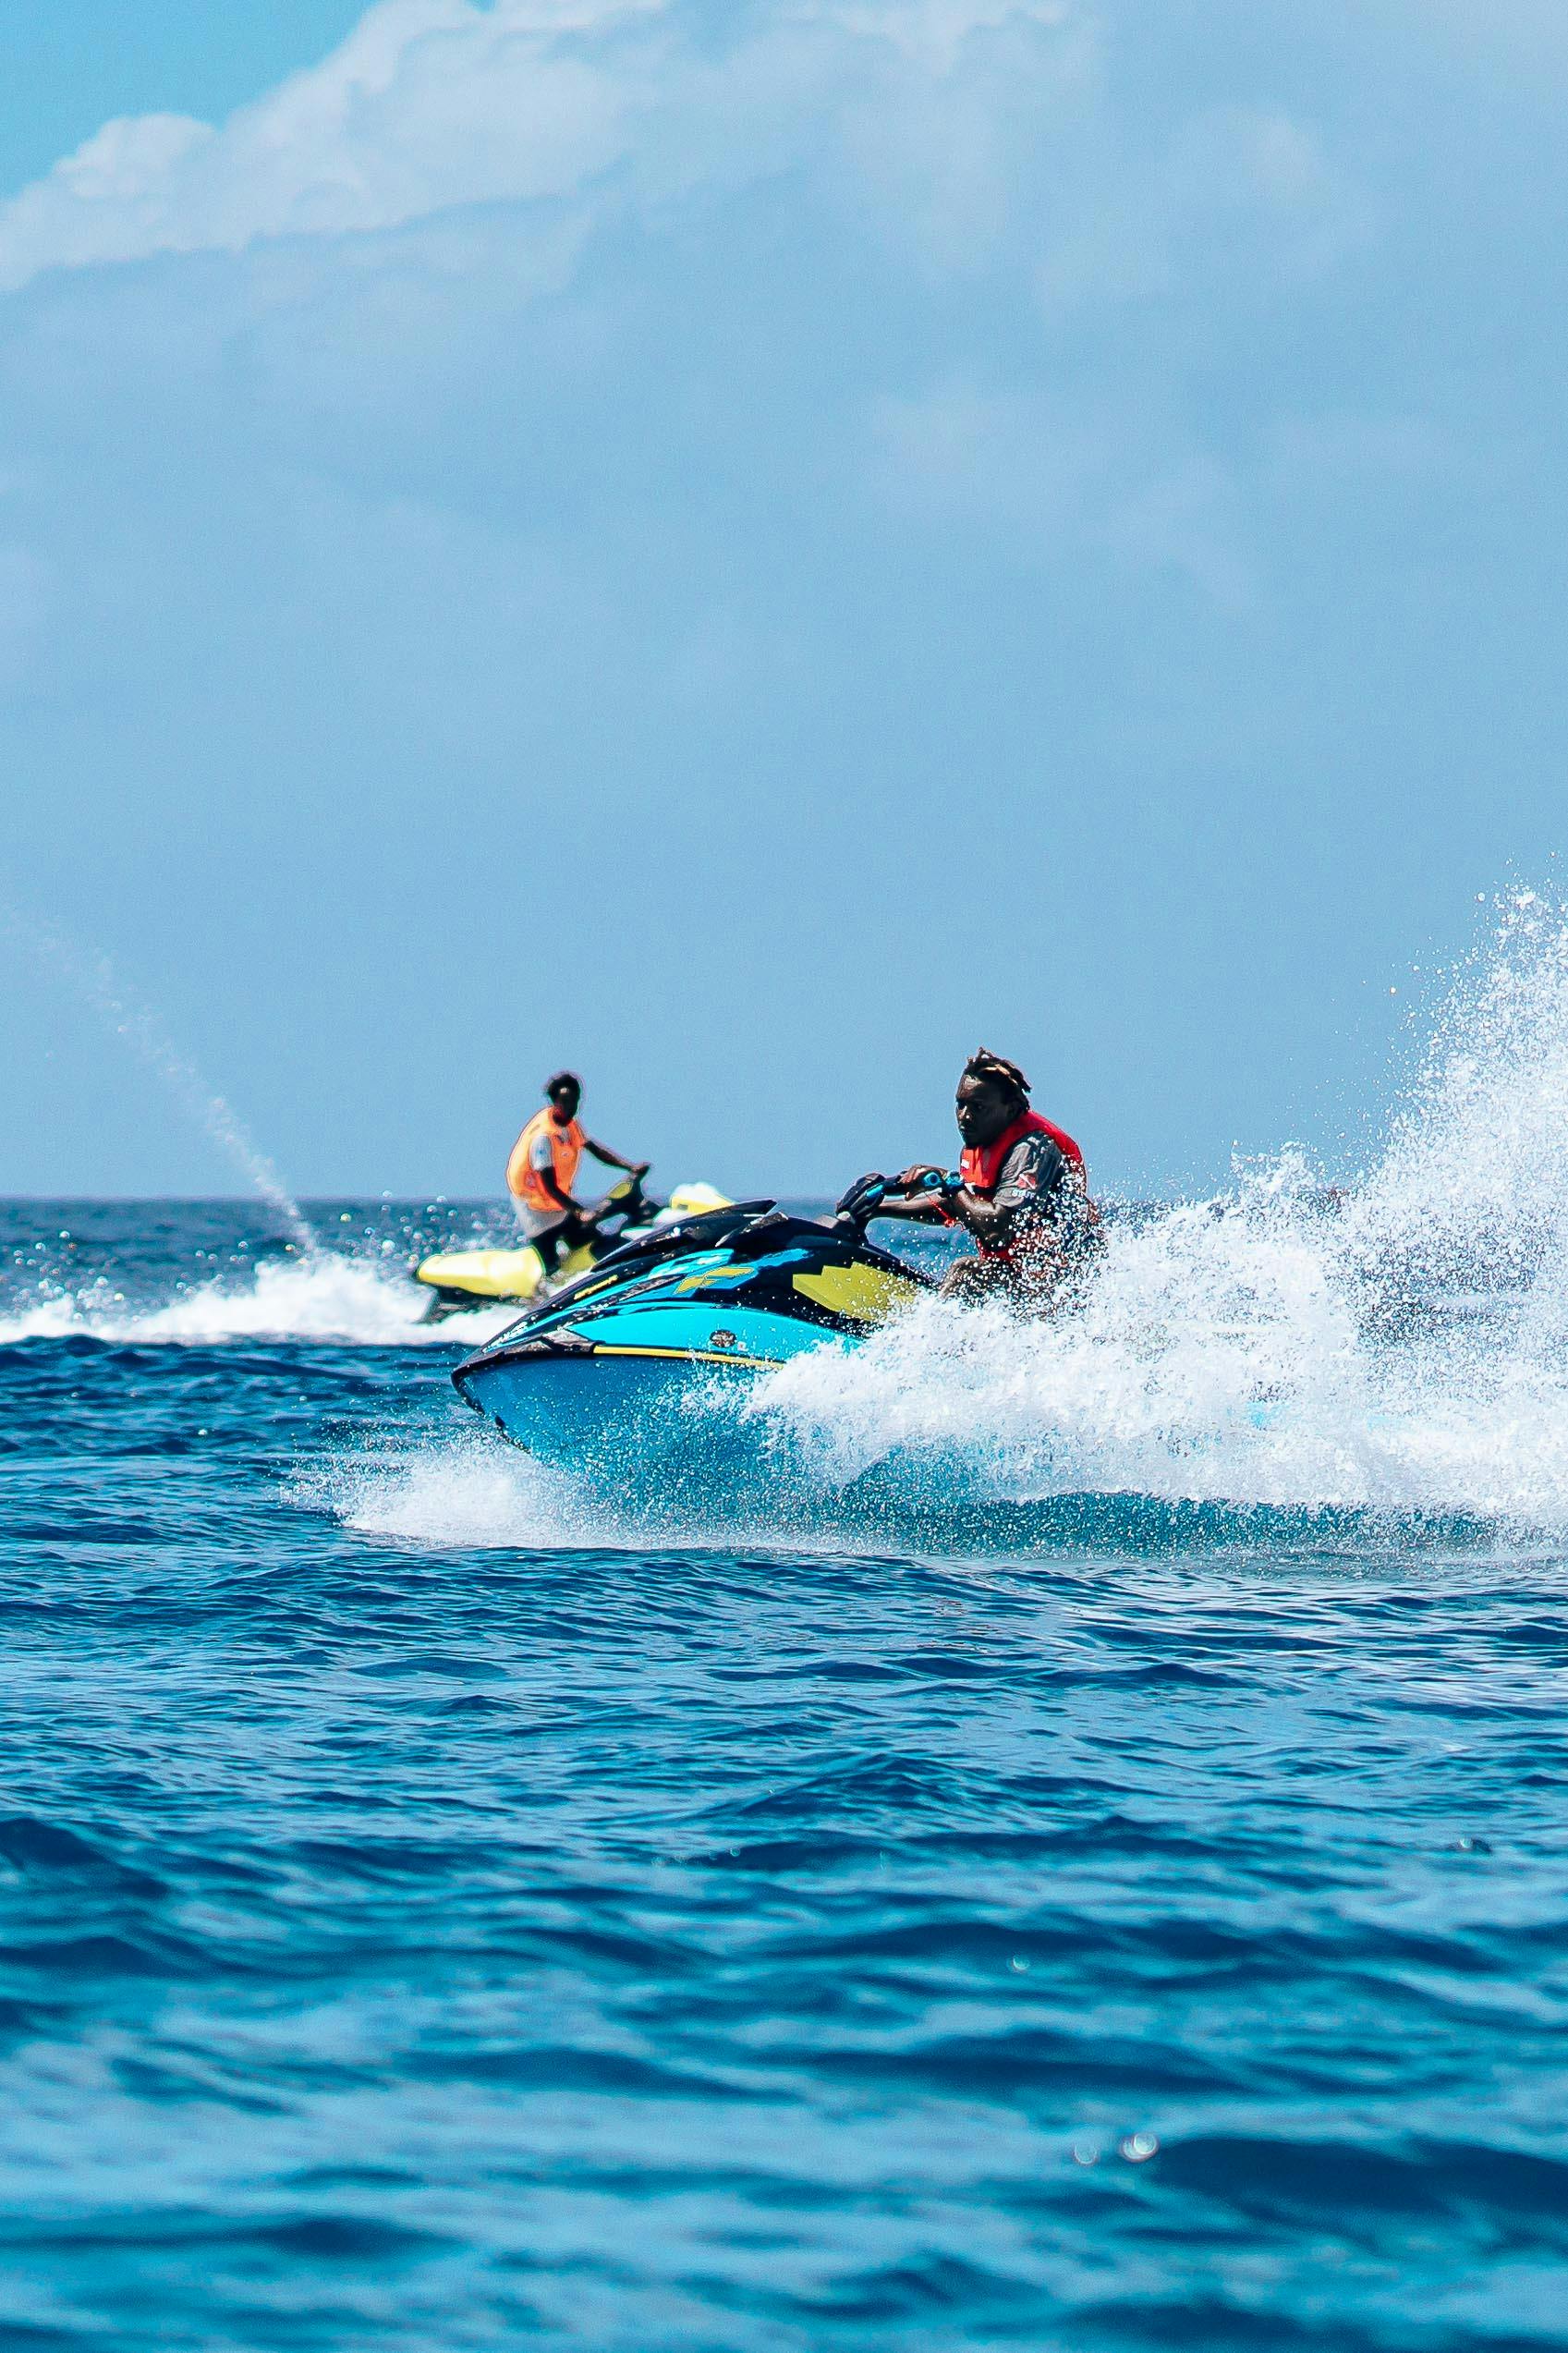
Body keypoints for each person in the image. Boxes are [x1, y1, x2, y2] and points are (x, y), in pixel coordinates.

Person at [875, 1047, 1099, 1309]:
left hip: (1065, 1290)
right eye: (961, 1104)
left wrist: (948, 1181)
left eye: (978, 1107)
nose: (965, 1117)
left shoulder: (1032, 1150)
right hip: (1025, 1281)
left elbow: (997, 1229)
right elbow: (958, 1206)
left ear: (1012, 1109)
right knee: (968, 1275)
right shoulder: (981, 1147)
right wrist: (877, 1207)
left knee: (966, 1274)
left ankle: (925, 1346)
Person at [505, 1071, 650, 1277]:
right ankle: (546, 1295)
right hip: (534, 1208)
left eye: (574, 1101)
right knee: (551, 1268)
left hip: (558, 1204)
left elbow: (596, 1150)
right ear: (555, 1102)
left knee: (592, 1240)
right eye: (564, 1101)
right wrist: (579, 1212)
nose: (570, 1106)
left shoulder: (571, 1125)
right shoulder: (543, 1137)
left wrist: (630, 1167)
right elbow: (549, 1186)